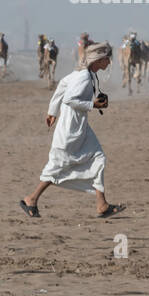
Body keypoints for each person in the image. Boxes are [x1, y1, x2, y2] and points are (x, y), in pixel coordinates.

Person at [21, 42, 124, 219]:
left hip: (80, 126)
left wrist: (52, 111)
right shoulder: (84, 77)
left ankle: (102, 204)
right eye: (107, 59)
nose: (109, 63)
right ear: (99, 60)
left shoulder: (84, 74)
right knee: (57, 166)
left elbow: (62, 85)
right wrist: (93, 104)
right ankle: (31, 199)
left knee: (98, 157)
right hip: (70, 129)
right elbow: (69, 99)